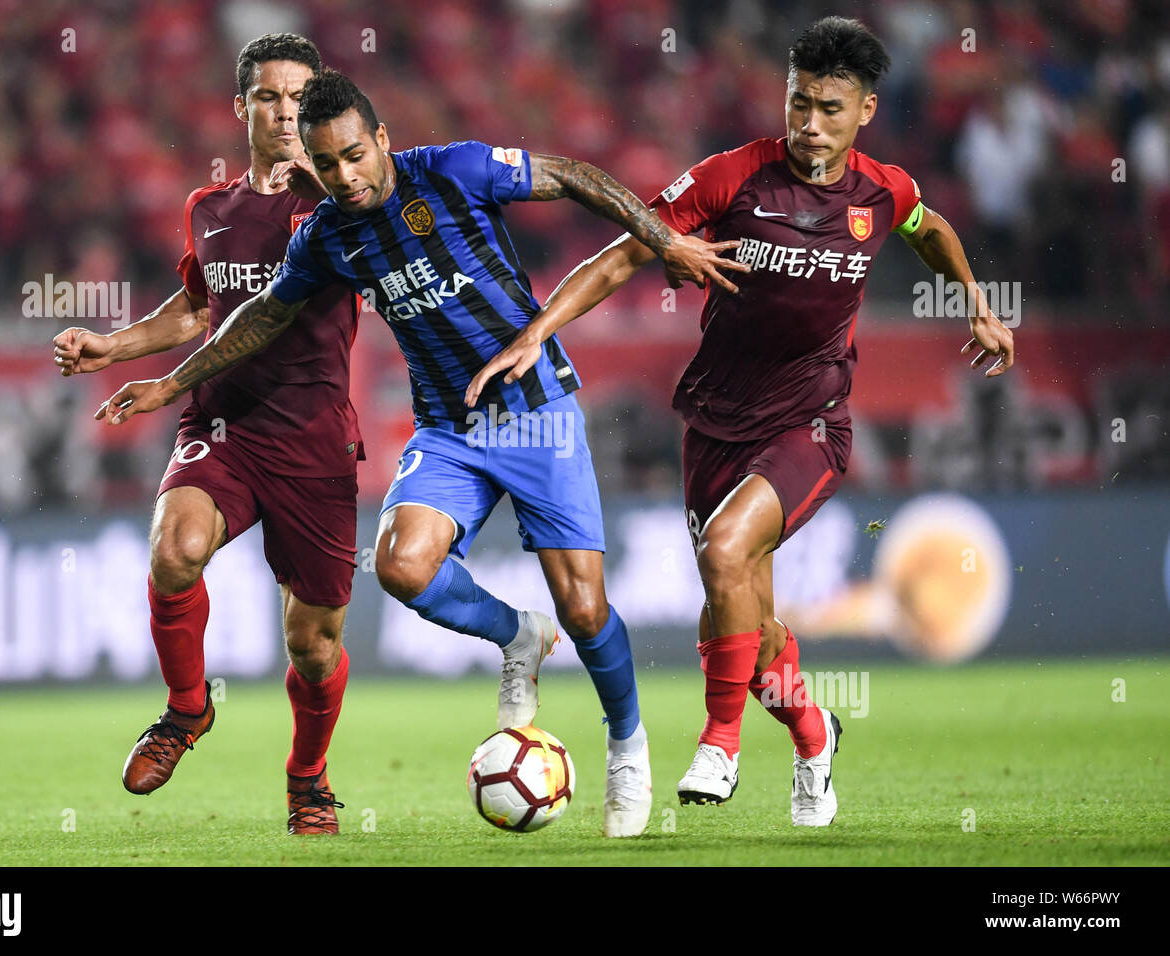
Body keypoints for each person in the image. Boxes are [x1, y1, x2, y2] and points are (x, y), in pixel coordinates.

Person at [96, 68, 742, 838]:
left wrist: (661, 235)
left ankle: (627, 745)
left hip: (536, 411)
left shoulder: (455, 169)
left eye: (353, 156)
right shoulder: (326, 235)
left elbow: (570, 176)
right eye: (326, 164)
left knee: (585, 605)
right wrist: (171, 383)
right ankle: (516, 634)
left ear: (382, 142)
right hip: (448, 426)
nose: (344, 175)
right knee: (402, 567)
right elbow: (261, 318)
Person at [464, 16, 1016, 826]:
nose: (809, 123)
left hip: (812, 422)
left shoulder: (881, 191)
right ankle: (814, 730)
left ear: (864, 110)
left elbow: (927, 229)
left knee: (725, 551)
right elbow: (625, 252)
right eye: (798, 102)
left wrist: (976, 302)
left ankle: (719, 742)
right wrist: (537, 332)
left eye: (829, 107)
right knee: (746, 632)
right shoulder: (730, 179)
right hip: (716, 425)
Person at [54, 34, 361, 835]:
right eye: (269, 96)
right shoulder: (210, 208)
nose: (286, 111)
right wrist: (110, 345)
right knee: (173, 548)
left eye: (300, 97)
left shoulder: (341, 207)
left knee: (314, 647)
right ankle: (187, 711)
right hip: (223, 421)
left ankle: (307, 778)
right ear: (242, 107)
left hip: (314, 437)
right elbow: (199, 310)